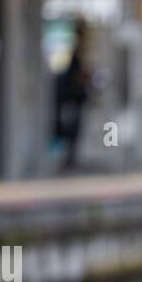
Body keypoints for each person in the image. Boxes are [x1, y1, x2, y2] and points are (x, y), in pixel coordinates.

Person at [54, 21, 91, 171]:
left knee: (73, 131)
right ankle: (69, 160)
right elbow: (74, 77)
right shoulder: (75, 56)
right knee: (72, 130)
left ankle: (70, 159)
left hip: (74, 98)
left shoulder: (77, 55)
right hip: (72, 99)